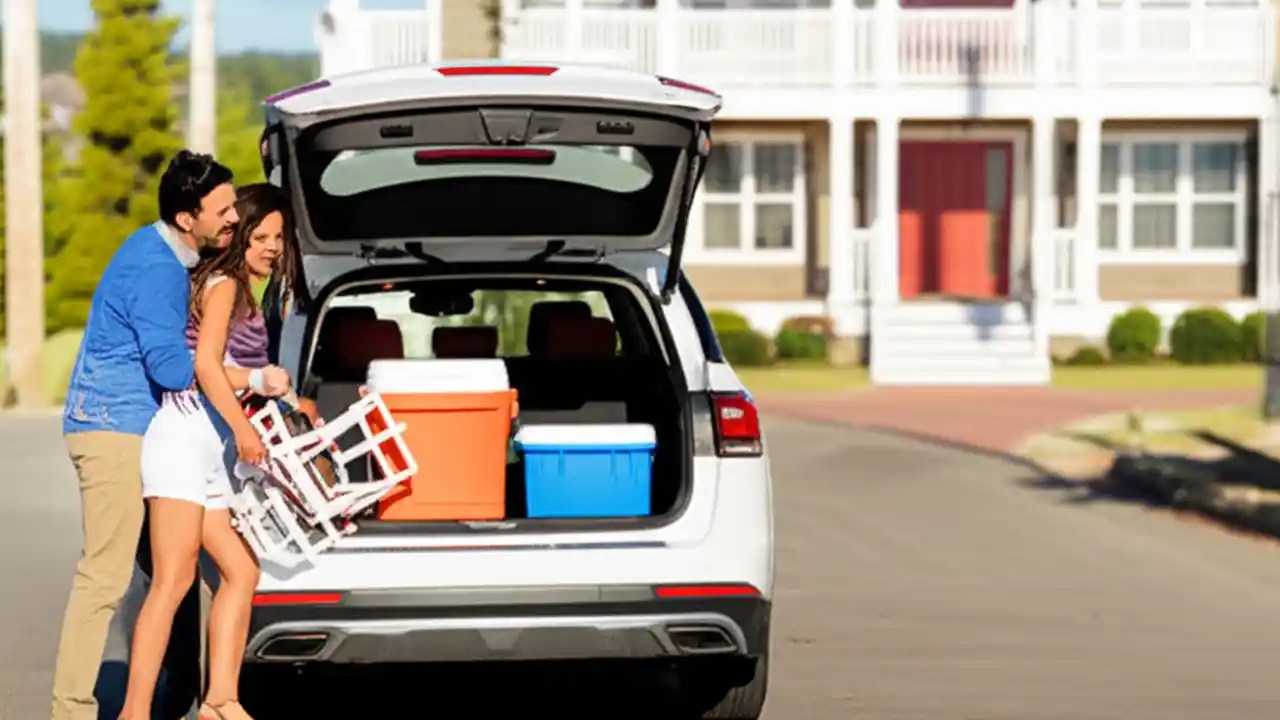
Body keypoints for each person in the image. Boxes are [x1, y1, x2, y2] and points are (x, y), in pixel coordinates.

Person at [51, 151, 271, 720]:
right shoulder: (159, 271)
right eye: (223, 209)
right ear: (184, 217)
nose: (233, 219)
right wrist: (253, 378)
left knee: (182, 574)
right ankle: (74, 710)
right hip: (114, 427)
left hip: (139, 424)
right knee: (105, 574)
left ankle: (200, 698)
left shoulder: (166, 257)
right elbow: (177, 369)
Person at [120, 184, 303, 720]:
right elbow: (203, 367)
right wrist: (246, 424)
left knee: (241, 573)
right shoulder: (222, 284)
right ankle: (134, 712)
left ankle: (221, 699)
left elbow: (229, 369)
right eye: (261, 236)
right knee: (173, 583)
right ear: (238, 235)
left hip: (209, 446)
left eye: (279, 237)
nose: (272, 247)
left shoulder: (246, 292)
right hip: (181, 439)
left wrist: (276, 393)